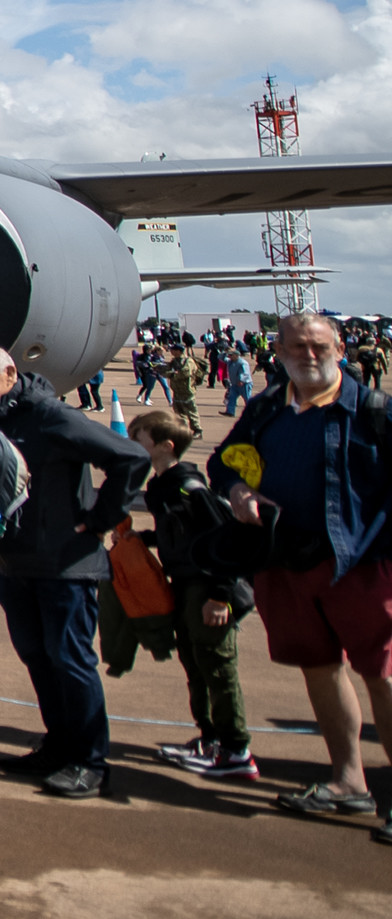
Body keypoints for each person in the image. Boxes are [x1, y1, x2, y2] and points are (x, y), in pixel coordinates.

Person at [203, 312, 392, 841]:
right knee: (319, 668)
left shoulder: (374, 411)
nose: (309, 355)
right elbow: (222, 464)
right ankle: (348, 782)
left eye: (318, 346)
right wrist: (237, 490)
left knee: (383, 675)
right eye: (297, 347)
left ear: (340, 349)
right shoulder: (266, 408)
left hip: (361, 565)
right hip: (285, 563)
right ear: (279, 352)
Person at [0, 343, 150, 798]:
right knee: (37, 656)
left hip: (64, 567)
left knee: (70, 660)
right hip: (16, 563)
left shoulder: (49, 415)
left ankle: (90, 761)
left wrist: (101, 518)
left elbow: (129, 457)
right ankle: (59, 745)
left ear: (8, 373)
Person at [127, 406, 258, 781]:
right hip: (184, 583)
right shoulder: (162, 487)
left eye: (139, 438)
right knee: (195, 664)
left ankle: (236, 749)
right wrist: (144, 539)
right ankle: (210, 738)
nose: (133, 444)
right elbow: (179, 534)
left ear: (165, 446)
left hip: (207, 584)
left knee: (216, 666)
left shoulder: (189, 487)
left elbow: (226, 540)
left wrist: (220, 596)